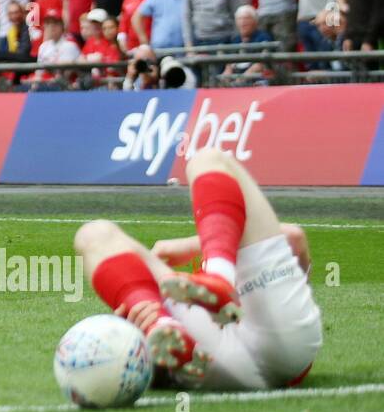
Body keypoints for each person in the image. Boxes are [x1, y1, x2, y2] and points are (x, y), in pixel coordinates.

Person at [72, 148, 321, 389]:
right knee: (208, 158)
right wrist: (133, 334)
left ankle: (161, 323)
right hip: (285, 341)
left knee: (92, 235)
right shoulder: (201, 266)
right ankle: (199, 294)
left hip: (210, 360)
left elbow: (291, 236)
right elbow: (293, 237)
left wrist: (135, 327)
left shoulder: (183, 282)